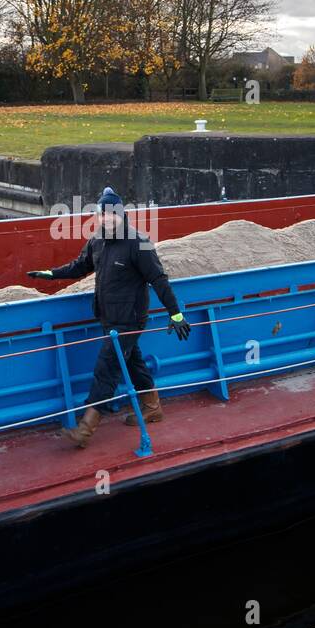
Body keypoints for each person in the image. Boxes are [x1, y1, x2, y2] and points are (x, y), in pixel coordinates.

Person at [28, 186, 191, 448]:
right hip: (107, 318)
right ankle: (153, 408)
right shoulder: (97, 241)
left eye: (112, 214)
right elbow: (80, 266)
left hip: (129, 321)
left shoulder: (139, 242)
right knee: (133, 362)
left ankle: (85, 429)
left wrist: (176, 314)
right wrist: (50, 274)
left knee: (107, 369)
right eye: (102, 214)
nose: (107, 219)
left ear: (122, 215)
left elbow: (159, 280)